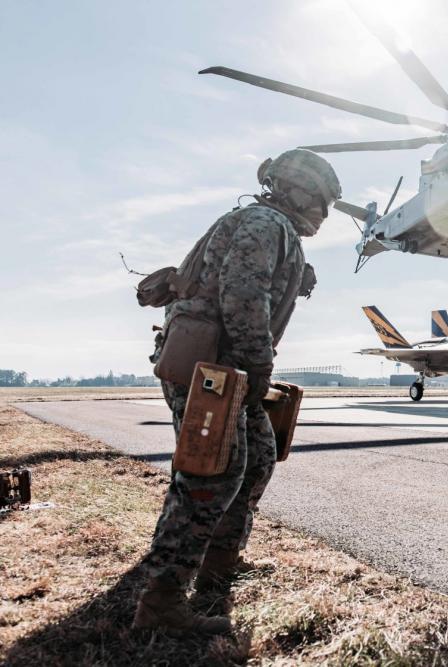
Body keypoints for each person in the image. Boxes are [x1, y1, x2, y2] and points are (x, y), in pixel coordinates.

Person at [132, 149, 341, 634]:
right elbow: (242, 298)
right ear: (299, 192)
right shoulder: (265, 223)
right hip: (214, 367)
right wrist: (258, 366)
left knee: (258, 459)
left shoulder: (270, 228)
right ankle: (162, 600)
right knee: (212, 472)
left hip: (228, 367)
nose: (324, 215)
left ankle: (218, 567)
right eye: (322, 202)